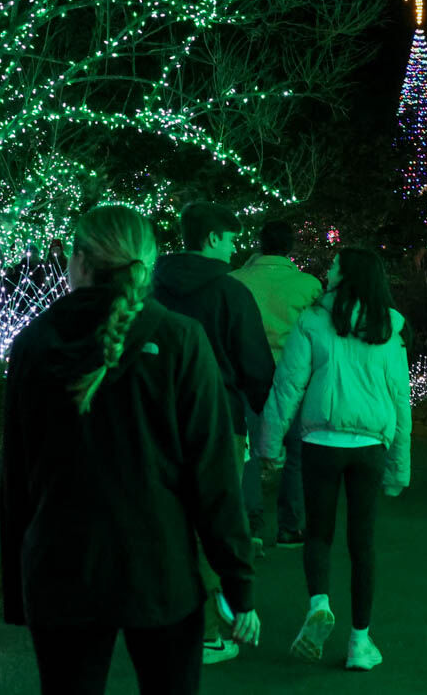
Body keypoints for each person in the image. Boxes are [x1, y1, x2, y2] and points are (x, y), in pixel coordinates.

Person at [2, 204, 258, 695]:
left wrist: (20, 587)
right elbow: (213, 475)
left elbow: (18, 475)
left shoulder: (34, 344)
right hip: (160, 571)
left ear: (78, 262)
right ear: (147, 262)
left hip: (61, 569)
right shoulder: (180, 339)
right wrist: (236, 580)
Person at [258, 246, 411, 672]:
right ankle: (360, 642)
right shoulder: (388, 327)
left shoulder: (312, 320)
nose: (326, 270)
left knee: (319, 534)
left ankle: (319, 603)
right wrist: (400, 465)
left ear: (346, 275)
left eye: (333, 265)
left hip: (321, 442)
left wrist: (269, 445)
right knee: (363, 545)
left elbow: (287, 386)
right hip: (370, 448)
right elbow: (401, 402)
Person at [151, 200, 274, 664]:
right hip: (219, 417)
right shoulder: (230, 293)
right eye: (228, 238)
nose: (233, 246)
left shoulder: (151, 288)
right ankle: (208, 630)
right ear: (210, 239)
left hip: (159, 419)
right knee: (217, 518)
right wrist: (269, 422)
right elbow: (256, 365)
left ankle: (174, 619)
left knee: (170, 520)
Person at [230, 220, 324, 549]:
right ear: (290, 247)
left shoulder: (235, 280)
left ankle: (251, 526)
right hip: (293, 378)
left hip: (245, 375)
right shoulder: (308, 285)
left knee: (250, 451)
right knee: (297, 450)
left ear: (258, 242)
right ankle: (290, 525)